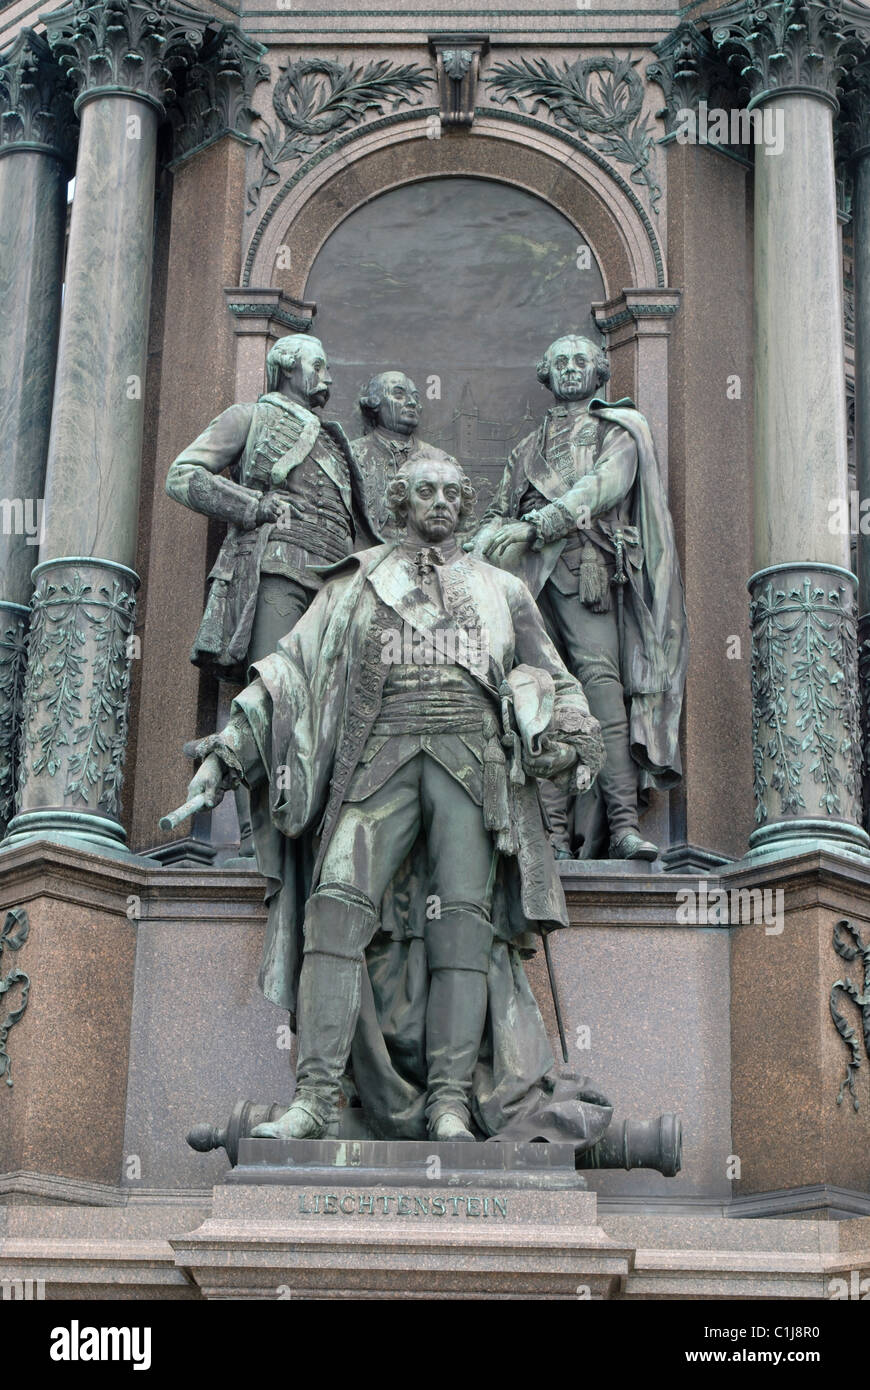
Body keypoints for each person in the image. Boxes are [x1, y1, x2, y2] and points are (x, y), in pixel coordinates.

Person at [182, 454, 610, 1147]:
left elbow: (556, 682)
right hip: (377, 758)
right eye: (426, 491)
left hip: (472, 764)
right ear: (399, 502)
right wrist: (227, 754)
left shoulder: (503, 588)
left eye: (452, 491)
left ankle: (448, 1102)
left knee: (464, 925)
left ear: (466, 505)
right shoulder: (355, 580)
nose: (441, 501)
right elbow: (289, 672)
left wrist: (569, 740)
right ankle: (315, 1098)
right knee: (334, 907)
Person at [469, 333, 688, 861]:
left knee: (603, 695)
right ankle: (549, 837)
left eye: (580, 361)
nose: (570, 369)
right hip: (527, 588)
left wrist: (537, 526)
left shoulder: (619, 432)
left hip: (587, 574)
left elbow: (601, 487)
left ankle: (622, 826)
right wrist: (474, 553)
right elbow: (499, 512)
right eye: (560, 362)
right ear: (546, 373)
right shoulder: (526, 450)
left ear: (599, 374)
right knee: (537, 699)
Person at [166, 332, 372, 857]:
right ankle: (260, 846)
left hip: (337, 588)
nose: (327, 377)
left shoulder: (334, 438)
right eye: (318, 366)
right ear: (285, 367)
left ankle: (314, 840)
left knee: (329, 710)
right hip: (276, 572)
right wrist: (251, 505)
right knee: (273, 697)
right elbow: (182, 475)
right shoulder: (248, 417)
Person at [349, 370, 451, 540]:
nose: (411, 403)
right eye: (399, 395)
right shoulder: (351, 454)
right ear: (375, 403)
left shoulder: (438, 459)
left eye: (415, 398)